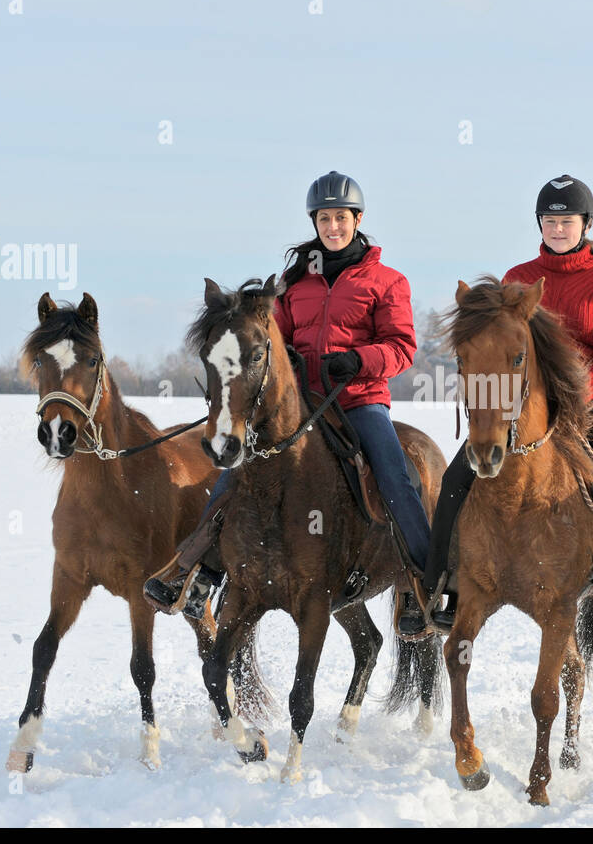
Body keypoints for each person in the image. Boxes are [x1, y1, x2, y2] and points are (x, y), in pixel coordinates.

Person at [415, 174, 593, 634]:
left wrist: (577, 391)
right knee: (455, 477)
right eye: (550, 221)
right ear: (539, 225)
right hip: (522, 405)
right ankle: (440, 585)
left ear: (586, 225)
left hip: (590, 398)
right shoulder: (517, 280)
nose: (558, 229)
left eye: (567, 221)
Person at [145, 171, 431, 622]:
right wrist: (291, 361)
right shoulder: (295, 284)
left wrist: (359, 361)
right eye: (324, 219)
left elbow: (402, 347)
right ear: (314, 222)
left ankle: (424, 582)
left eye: (341, 217)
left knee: (398, 477)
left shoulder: (387, 281)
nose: (332, 227)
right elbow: (281, 343)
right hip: (298, 405)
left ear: (358, 219)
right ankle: (194, 570)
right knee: (233, 472)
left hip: (358, 401)